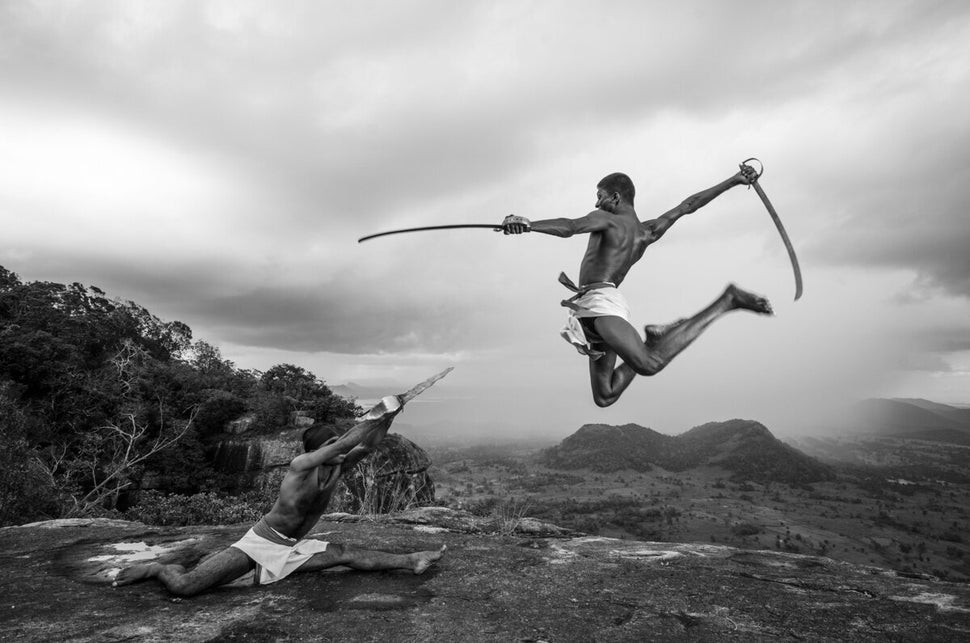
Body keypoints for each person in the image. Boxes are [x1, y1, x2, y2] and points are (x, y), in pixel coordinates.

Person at [113, 372, 451, 596]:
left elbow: (368, 445)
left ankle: (412, 560)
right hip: (259, 544)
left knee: (342, 554)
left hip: (291, 546)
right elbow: (347, 443)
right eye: (329, 445)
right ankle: (158, 568)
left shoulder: (337, 467)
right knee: (186, 587)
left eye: (335, 444)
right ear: (316, 451)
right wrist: (380, 410)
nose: (336, 449)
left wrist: (388, 417)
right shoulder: (300, 466)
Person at [501, 167, 772, 407]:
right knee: (605, 395)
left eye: (600, 195)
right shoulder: (648, 231)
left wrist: (528, 224)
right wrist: (733, 180)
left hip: (601, 305)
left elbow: (570, 226)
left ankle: (728, 300)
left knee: (649, 364)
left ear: (615, 197)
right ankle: (651, 340)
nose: (597, 202)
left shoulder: (605, 218)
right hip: (592, 307)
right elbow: (688, 205)